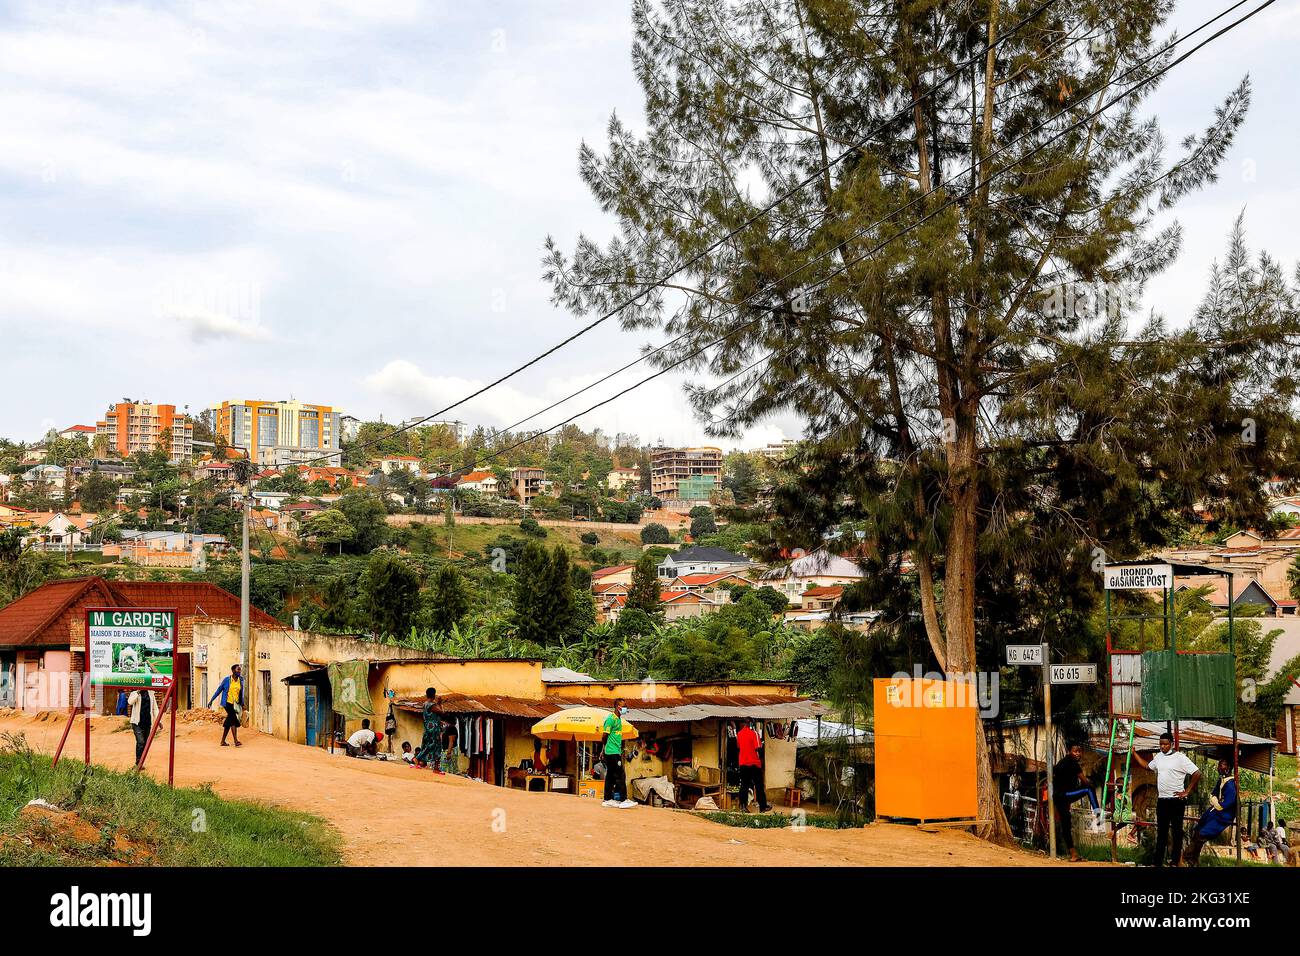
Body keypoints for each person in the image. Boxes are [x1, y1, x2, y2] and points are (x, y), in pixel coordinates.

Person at [1129, 733, 1200, 867]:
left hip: (1176, 801)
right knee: (1161, 832)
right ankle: (1157, 863)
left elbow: (1197, 773)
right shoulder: (1159, 757)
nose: (1162, 746)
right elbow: (1147, 766)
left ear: (1172, 744)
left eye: (1165, 744)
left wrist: (1187, 791)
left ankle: (1175, 862)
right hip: (1162, 800)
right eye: (1161, 744)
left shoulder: (1180, 758)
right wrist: (1134, 753)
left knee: (1177, 832)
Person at [1183, 758, 1237, 866]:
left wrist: (1217, 803)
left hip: (1224, 815)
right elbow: (1213, 793)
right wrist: (1214, 799)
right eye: (1219, 765)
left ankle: (1187, 857)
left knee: (1202, 834)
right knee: (1197, 830)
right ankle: (1192, 860)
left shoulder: (1231, 784)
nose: (1218, 768)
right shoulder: (1221, 780)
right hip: (1214, 811)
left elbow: (1227, 803)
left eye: (1221, 765)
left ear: (1228, 768)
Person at [1051, 741, 1093, 862]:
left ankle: (1073, 853)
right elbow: (1084, 781)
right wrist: (1091, 783)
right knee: (1089, 789)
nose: (1078, 753)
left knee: (1066, 824)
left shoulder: (1063, 762)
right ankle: (1097, 810)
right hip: (1063, 796)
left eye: (1079, 751)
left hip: (1059, 796)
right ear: (1069, 751)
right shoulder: (1072, 762)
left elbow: (1057, 773)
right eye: (1075, 751)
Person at [601, 698, 634, 808]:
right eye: (623, 706)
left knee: (610, 776)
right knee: (620, 775)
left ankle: (607, 799)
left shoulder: (619, 719)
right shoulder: (611, 719)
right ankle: (623, 799)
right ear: (617, 707)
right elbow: (604, 736)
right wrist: (604, 750)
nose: (625, 708)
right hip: (612, 753)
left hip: (614, 752)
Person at [736, 719, 770, 813]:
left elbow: (739, 747)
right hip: (754, 763)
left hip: (743, 763)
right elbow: (758, 748)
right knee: (759, 785)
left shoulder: (739, 734)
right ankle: (763, 806)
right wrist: (761, 762)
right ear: (750, 724)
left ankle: (743, 806)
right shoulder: (754, 733)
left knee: (744, 785)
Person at [207, 663, 245, 748]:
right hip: (227, 703)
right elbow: (219, 690)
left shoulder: (241, 680)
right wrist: (211, 700)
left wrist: (242, 703)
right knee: (233, 719)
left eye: (240, 670)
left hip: (236, 704)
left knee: (228, 722)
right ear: (233, 671)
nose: (239, 671)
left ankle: (222, 741)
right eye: (238, 669)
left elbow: (241, 693)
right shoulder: (227, 680)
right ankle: (236, 741)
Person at [413, 687, 443, 772]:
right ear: (434, 695)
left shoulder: (425, 704)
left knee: (428, 745)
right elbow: (441, 712)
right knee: (435, 746)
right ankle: (418, 758)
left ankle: (435, 767)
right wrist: (440, 703)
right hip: (433, 729)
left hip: (428, 728)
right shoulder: (431, 705)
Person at [127, 686, 153, 765]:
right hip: (137, 722)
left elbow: (154, 707)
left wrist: (159, 720)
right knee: (141, 742)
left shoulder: (151, 693)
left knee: (145, 744)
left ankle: (141, 762)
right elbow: (130, 702)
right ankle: (138, 763)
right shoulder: (134, 693)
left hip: (147, 722)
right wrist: (138, 692)